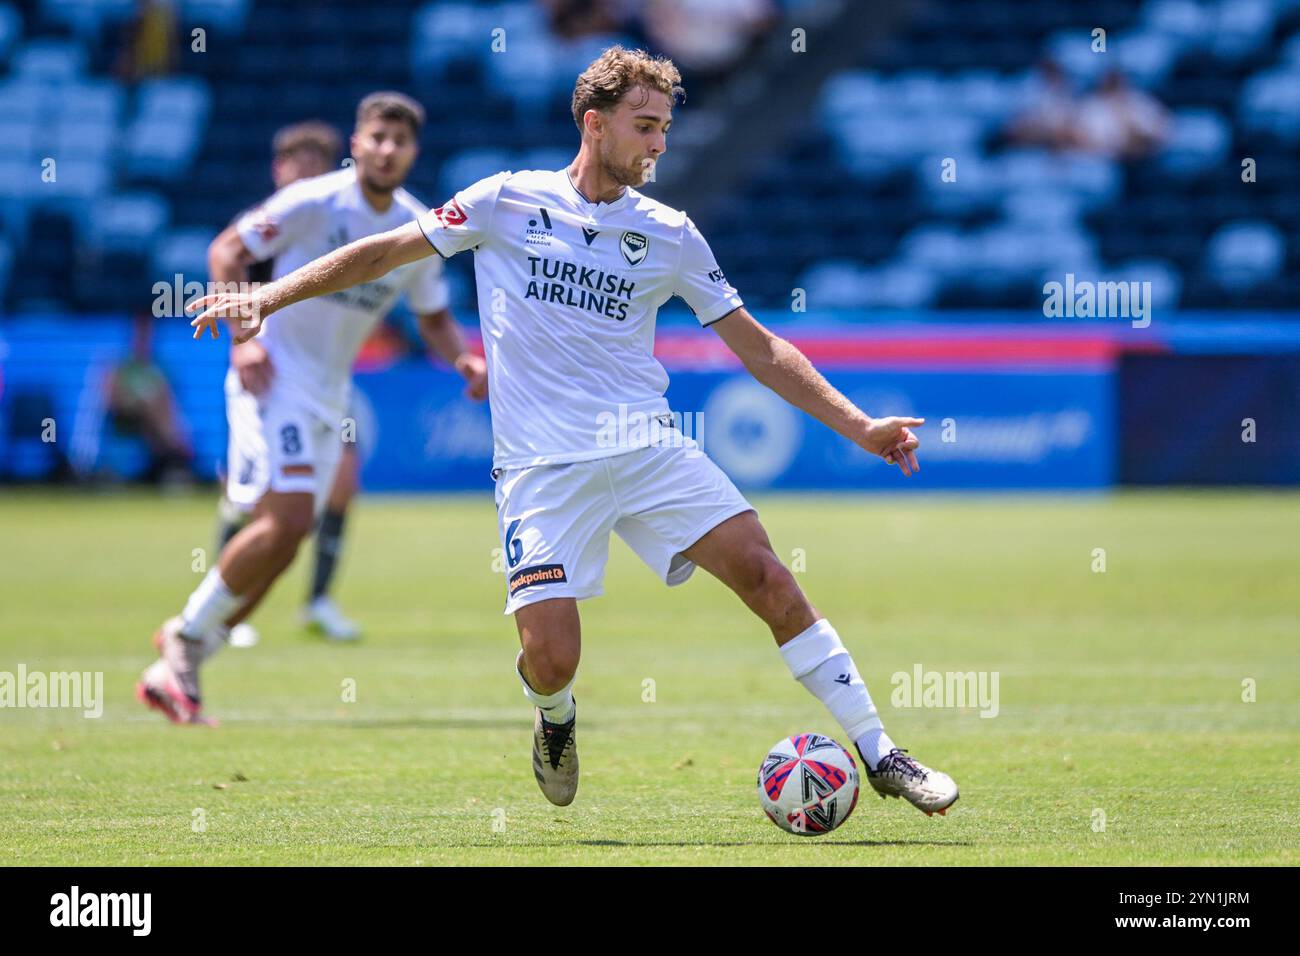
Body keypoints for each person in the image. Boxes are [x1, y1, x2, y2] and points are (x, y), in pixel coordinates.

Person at [188, 48, 957, 817]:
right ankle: (554, 719)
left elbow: (759, 347)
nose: (659, 144)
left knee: (769, 578)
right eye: (645, 126)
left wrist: (858, 425)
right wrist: (271, 297)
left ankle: (882, 752)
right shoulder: (504, 200)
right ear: (594, 122)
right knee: (552, 660)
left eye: (665, 128)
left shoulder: (671, 233)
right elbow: (384, 252)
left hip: (647, 446)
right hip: (541, 471)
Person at [139, 92, 488, 725]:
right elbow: (226, 250)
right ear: (356, 144)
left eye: (399, 141)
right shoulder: (314, 200)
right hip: (275, 375)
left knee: (286, 538)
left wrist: (463, 360)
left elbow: (433, 317)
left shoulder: (416, 225)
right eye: (376, 137)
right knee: (290, 519)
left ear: (413, 153)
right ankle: (185, 639)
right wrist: (244, 342)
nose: (386, 149)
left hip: (330, 393)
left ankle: (182, 659)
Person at [212, 120, 367, 644]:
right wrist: (242, 342)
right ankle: (223, 610)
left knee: (342, 481)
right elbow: (224, 270)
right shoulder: (262, 229)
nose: (304, 177)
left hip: (325, 382)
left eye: (314, 168)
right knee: (250, 498)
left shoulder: (328, 226)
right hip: (268, 375)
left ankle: (319, 602)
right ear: (279, 170)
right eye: (295, 166)